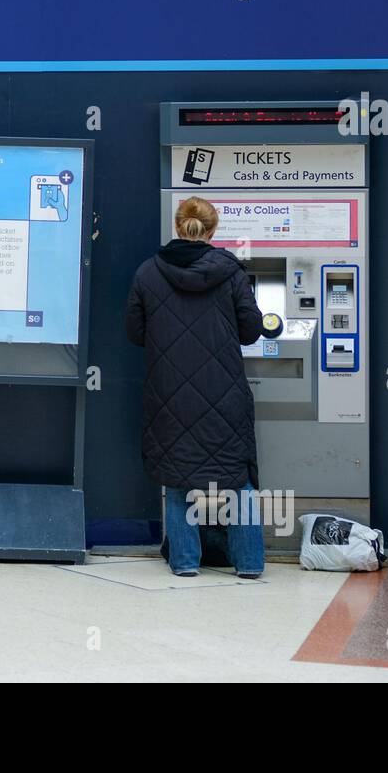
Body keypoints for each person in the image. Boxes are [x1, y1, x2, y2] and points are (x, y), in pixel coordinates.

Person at [125, 196, 266, 578]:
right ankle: (250, 564)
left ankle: (186, 563)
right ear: (212, 229)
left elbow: (134, 332)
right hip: (224, 393)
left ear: (177, 226)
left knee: (176, 479)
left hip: (168, 394)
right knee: (238, 480)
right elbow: (252, 330)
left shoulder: (147, 273)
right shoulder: (232, 272)